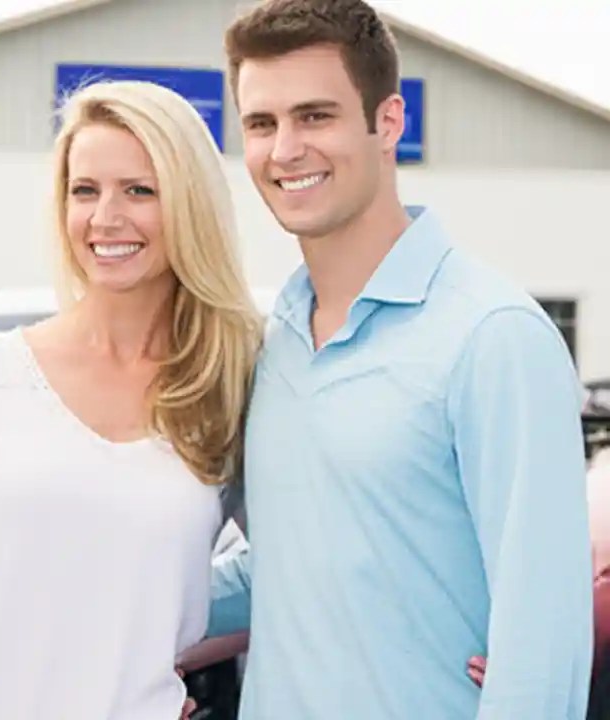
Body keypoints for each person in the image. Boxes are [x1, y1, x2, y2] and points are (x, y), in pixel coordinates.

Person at [195, 0, 594, 717]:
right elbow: (289, 572)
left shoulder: (494, 337)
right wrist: (103, 604)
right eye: (261, 123)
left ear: (388, 121)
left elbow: (542, 643)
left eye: (315, 116)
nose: (285, 150)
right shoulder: (276, 343)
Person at [0, 79, 264, 718]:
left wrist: (159, 654)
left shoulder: (231, 386)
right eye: (85, 190)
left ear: (190, 204)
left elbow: (299, 576)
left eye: (139, 190)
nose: (105, 218)